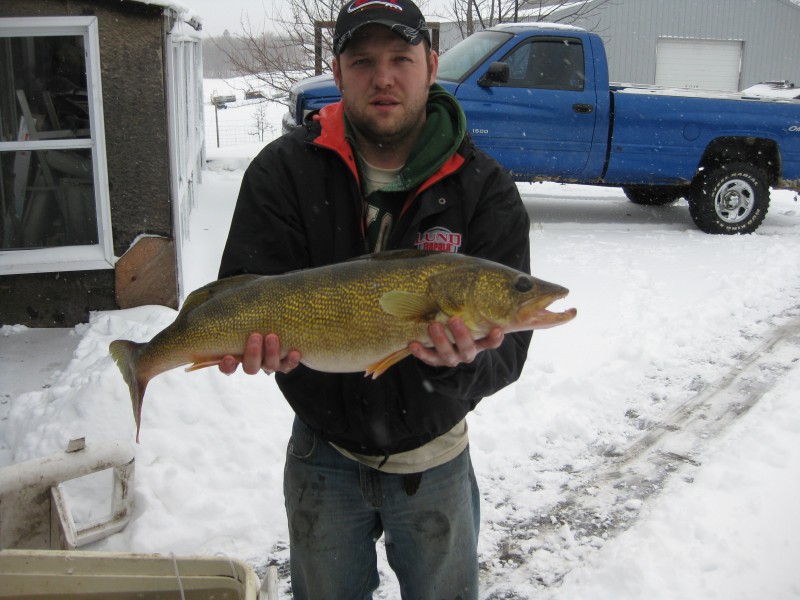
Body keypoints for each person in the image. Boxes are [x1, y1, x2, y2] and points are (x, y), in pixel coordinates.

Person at [217, 0, 533, 597]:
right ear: (336, 74)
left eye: (400, 58)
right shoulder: (284, 172)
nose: (382, 77)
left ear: (431, 65)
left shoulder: (483, 187)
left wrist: (465, 363)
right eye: (362, 60)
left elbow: (507, 356)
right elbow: (247, 292)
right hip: (321, 450)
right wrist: (258, 347)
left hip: (435, 458)